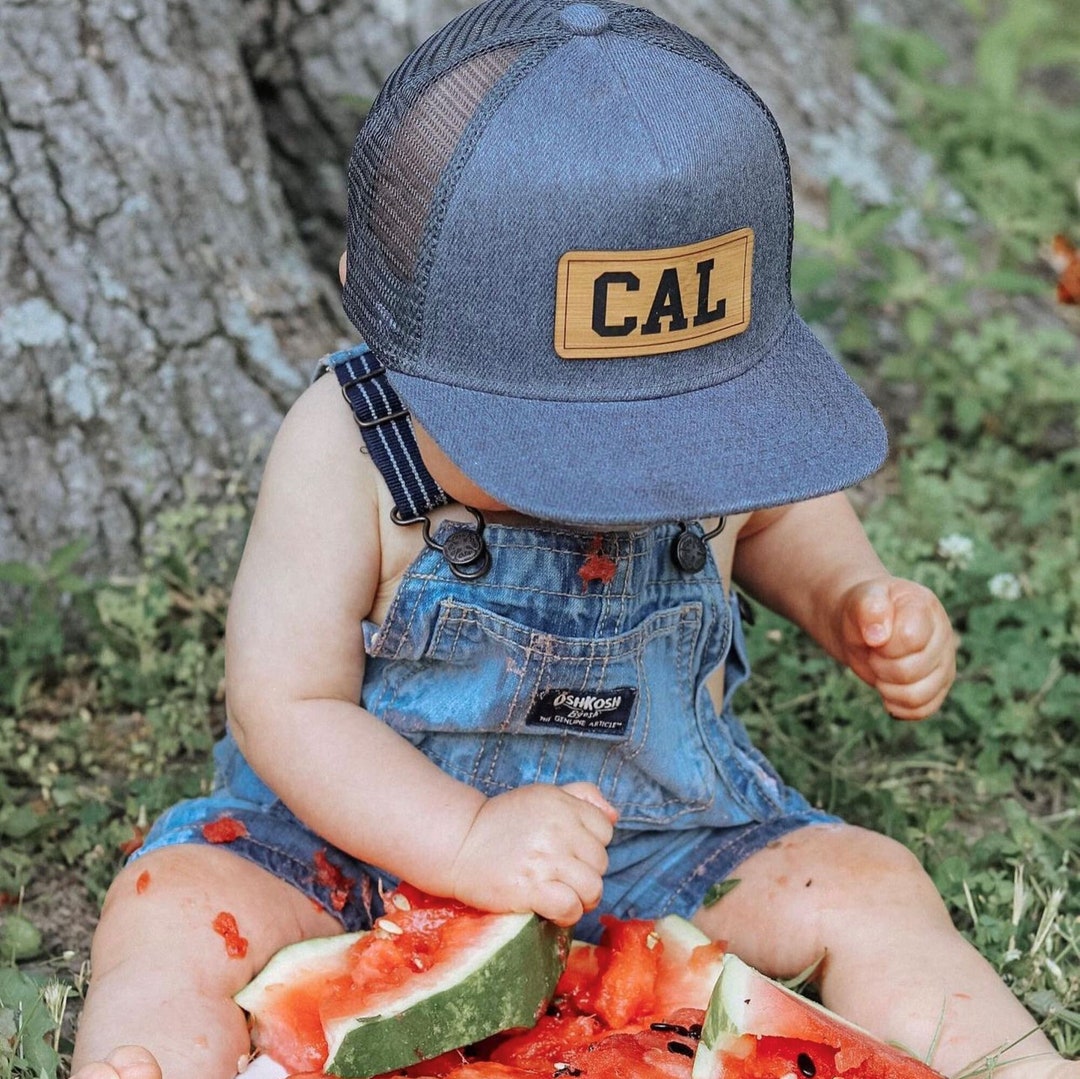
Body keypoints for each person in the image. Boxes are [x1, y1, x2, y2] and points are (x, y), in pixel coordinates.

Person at [71, 3, 1078, 1079]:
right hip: (344, 850)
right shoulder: (346, 444)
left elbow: (779, 509)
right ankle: (148, 1055)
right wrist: (465, 840)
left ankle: (1010, 1061)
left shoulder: (723, 416)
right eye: (560, 444)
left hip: (661, 848)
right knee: (174, 902)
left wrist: (850, 596)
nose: (627, 482)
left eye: (676, 432)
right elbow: (284, 701)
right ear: (393, 328)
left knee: (873, 885)